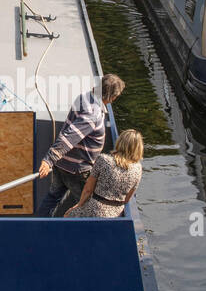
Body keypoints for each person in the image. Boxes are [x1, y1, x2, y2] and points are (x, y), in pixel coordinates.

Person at [36, 73, 125, 216]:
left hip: (62, 164)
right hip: (77, 169)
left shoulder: (84, 97)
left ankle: (38, 229)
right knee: (88, 205)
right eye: (115, 97)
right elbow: (70, 136)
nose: (114, 100)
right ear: (110, 96)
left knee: (52, 198)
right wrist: (48, 159)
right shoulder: (93, 113)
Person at [65, 130, 143, 218]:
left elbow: (88, 189)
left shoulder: (103, 160)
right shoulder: (138, 168)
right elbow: (127, 198)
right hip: (116, 214)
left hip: (95, 209)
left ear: (120, 142)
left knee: (68, 215)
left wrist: (77, 206)